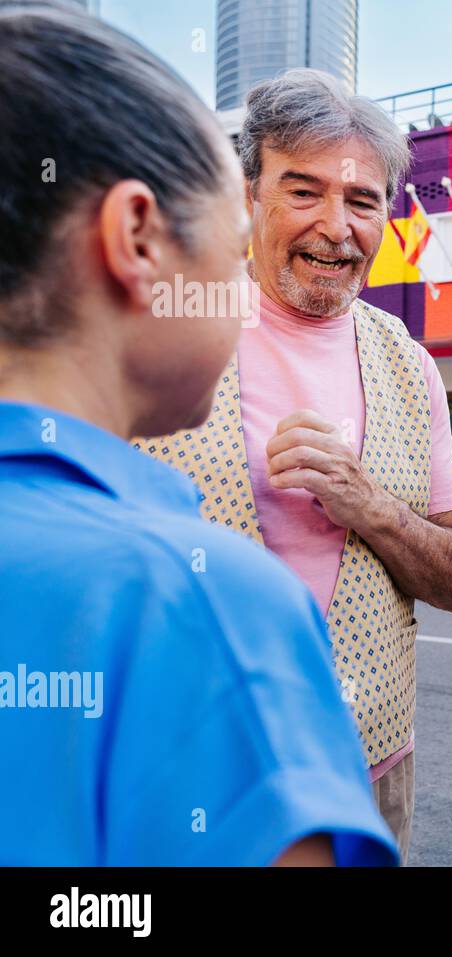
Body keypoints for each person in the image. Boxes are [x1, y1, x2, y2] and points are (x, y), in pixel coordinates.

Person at [0, 0, 395, 865]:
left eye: (362, 200)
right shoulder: (214, 607)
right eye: (232, 240)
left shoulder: (397, 357)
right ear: (137, 237)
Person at [135, 69, 452, 861]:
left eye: (361, 201)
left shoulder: (409, 364)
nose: (336, 226)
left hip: (366, 767)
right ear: (249, 194)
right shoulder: (161, 327)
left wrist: (375, 507)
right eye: (304, 191)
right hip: (192, 760)